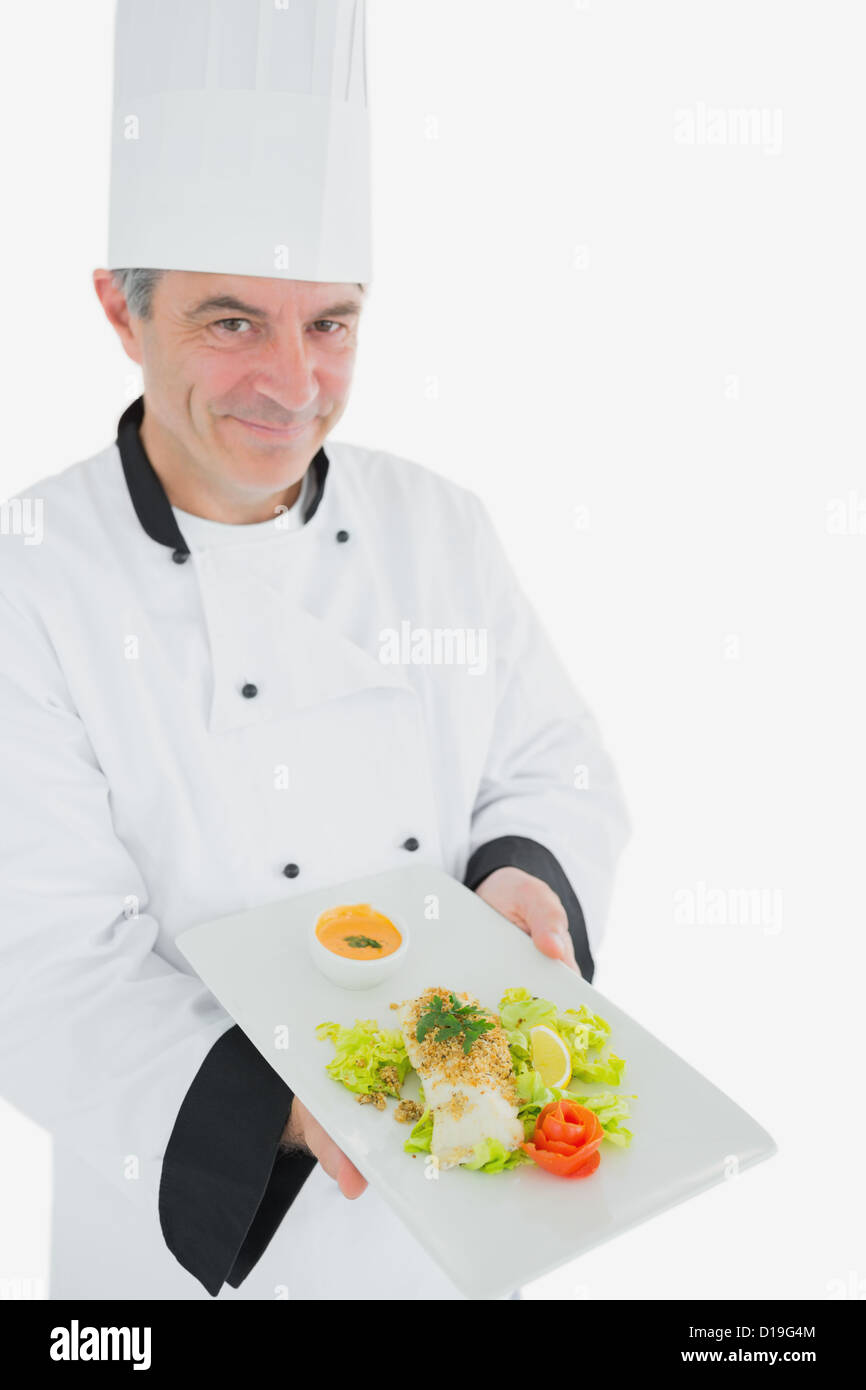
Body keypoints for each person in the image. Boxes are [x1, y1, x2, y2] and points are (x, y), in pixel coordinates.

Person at [0, 0, 630, 1300]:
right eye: (231, 322)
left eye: (329, 323)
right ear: (122, 310)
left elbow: (550, 764)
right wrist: (283, 1106)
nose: (291, 383)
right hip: (174, 1257)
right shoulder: (34, 571)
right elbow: (40, 953)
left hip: (454, 1228)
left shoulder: (436, 526)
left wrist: (531, 884)